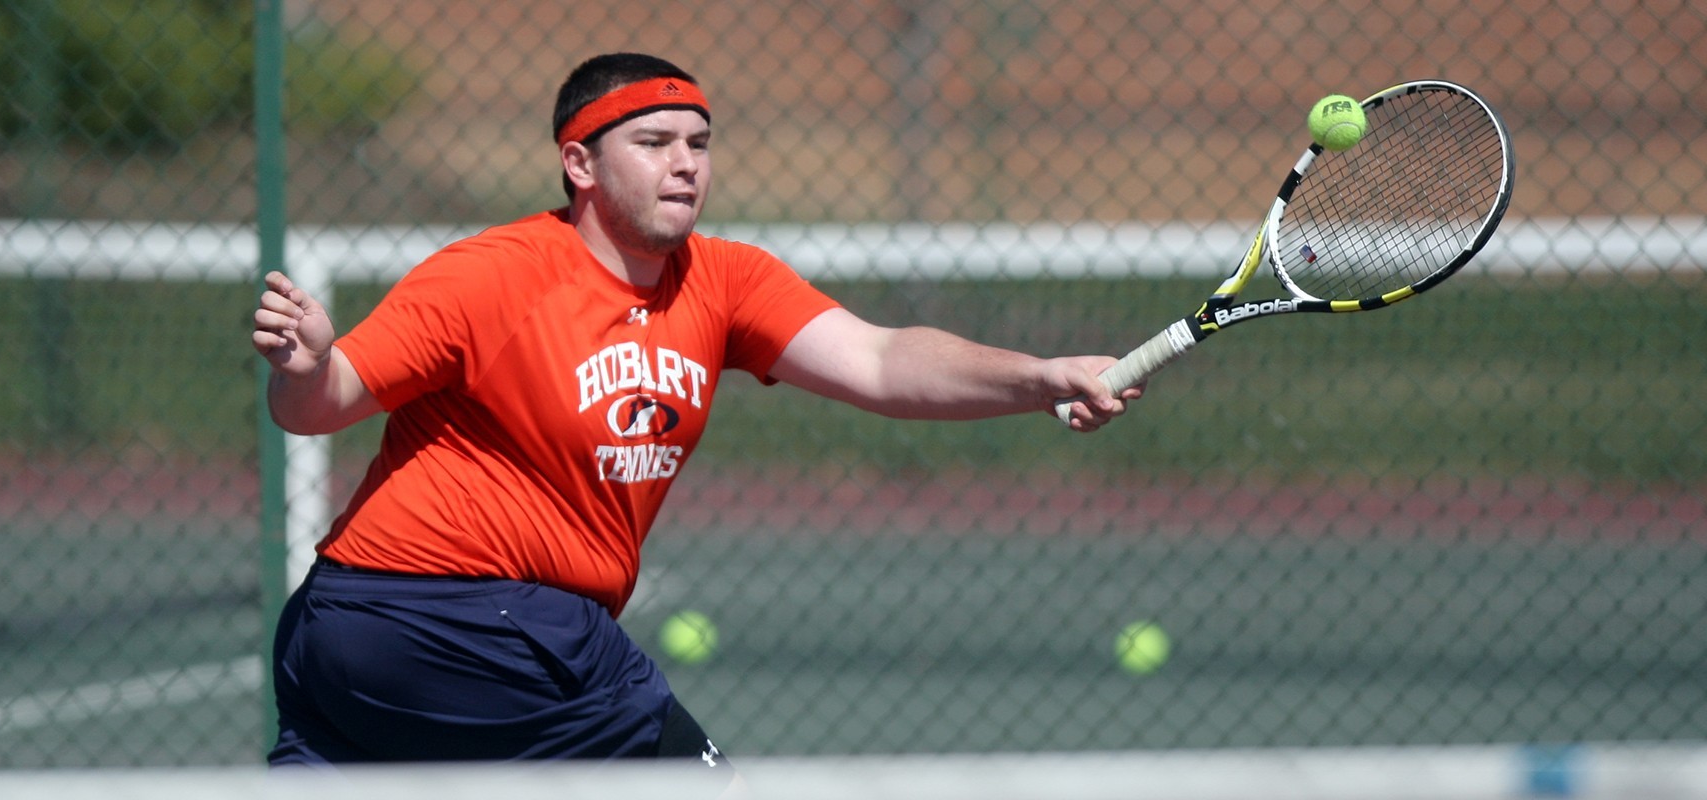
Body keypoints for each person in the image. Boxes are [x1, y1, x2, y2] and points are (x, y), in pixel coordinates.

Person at [250, 52, 1141, 777]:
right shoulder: (492, 274)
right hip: (472, 622)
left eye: (700, 143)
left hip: (348, 635)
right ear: (580, 164)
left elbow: (877, 358)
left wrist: (1041, 375)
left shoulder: (724, 281)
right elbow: (322, 404)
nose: (686, 162)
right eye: (654, 141)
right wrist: (307, 362)